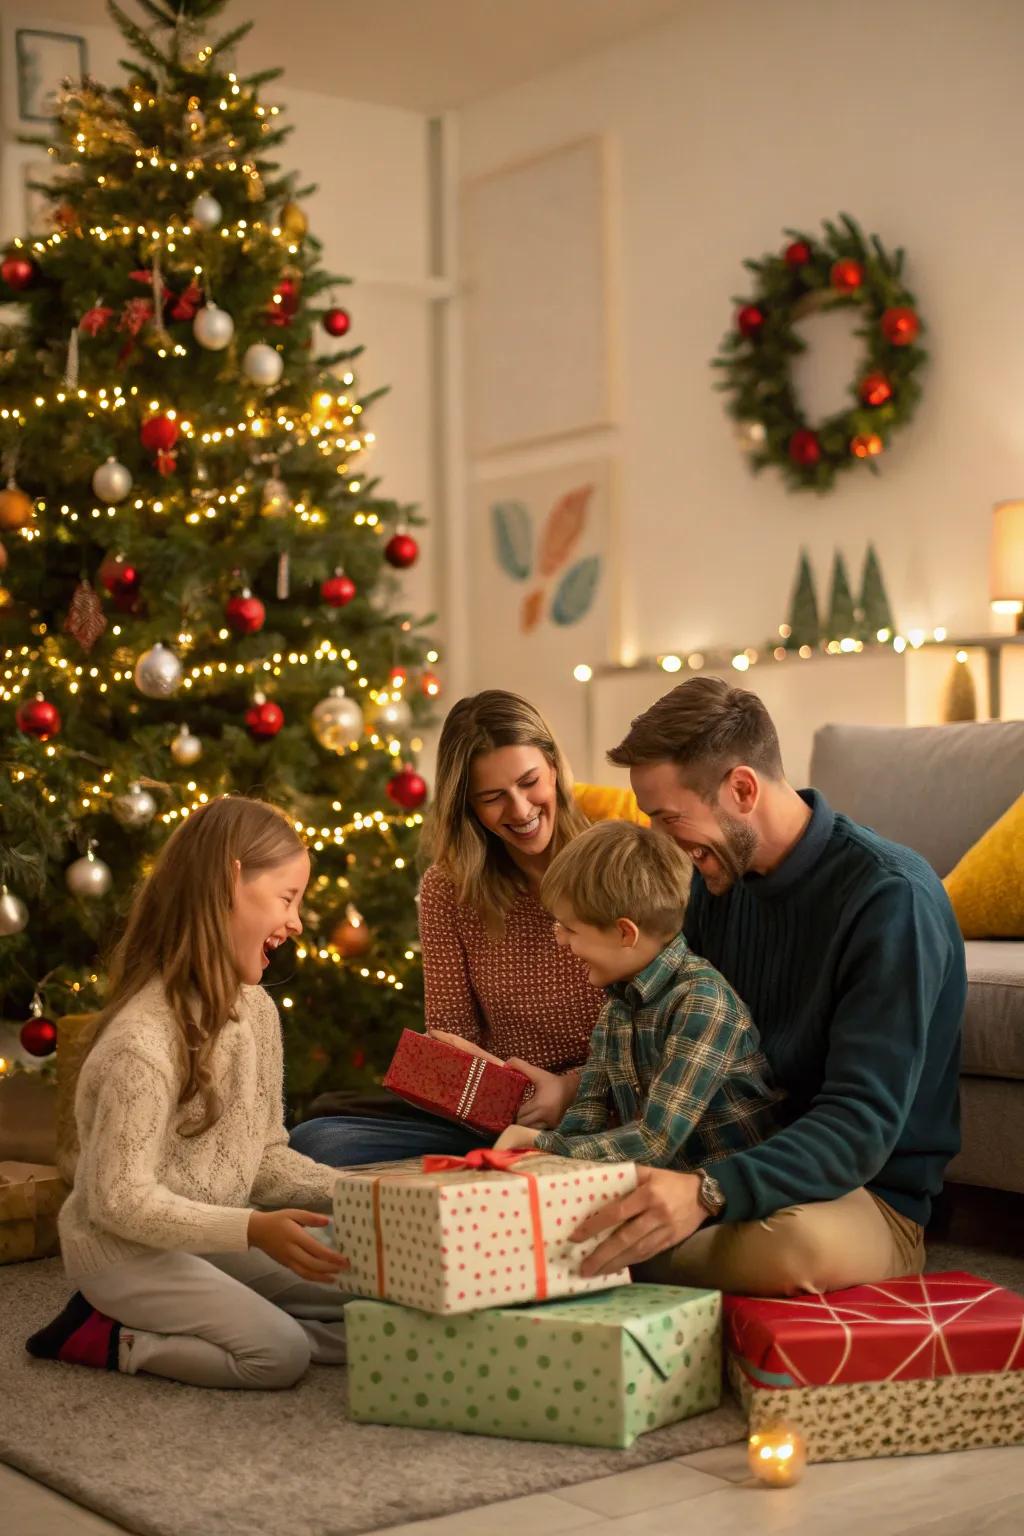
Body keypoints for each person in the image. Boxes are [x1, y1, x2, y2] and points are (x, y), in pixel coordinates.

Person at [569, 676, 966, 1297]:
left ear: (742, 789)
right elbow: (665, 1030)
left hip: (859, 1195)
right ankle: (612, 1246)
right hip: (727, 1159)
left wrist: (705, 1193)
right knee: (614, 1198)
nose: (663, 843)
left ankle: (591, 1257)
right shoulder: (714, 882)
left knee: (789, 1250)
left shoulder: (890, 899)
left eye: (670, 818)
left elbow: (858, 1126)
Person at [27, 797, 352, 1390]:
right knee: (277, 1355)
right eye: (287, 899)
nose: (298, 923)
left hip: (211, 1235)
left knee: (363, 1292)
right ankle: (108, 1335)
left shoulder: (257, 1012)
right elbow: (119, 1202)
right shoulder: (142, 1042)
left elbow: (264, 1156)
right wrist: (251, 1230)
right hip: (126, 1253)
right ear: (229, 883)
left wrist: (359, 1191)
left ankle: (252, 1318)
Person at [290, 690, 639, 1167]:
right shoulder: (448, 889)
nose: (520, 810)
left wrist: (570, 1089)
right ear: (468, 805)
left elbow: (657, 1025)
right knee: (318, 1141)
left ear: (555, 768)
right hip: (498, 1112)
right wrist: (491, 1087)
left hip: (609, 1100)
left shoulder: (617, 861)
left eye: (529, 782)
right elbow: (452, 1035)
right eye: (493, 797)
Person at [494, 819, 780, 1168]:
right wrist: (533, 1155)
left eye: (570, 928)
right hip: (659, 1183)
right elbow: (583, 1124)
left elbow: (654, 1141)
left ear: (625, 934)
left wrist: (539, 1144)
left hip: (730, 1186)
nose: (561, 940)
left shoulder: (702, 1002)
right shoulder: (616, 1010)